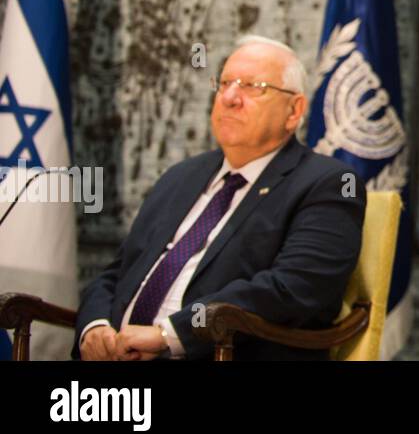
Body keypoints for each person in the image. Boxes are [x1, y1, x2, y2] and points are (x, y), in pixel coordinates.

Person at [75, 35, 365, 360]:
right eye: (225, 83)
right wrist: (95, 327)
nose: (229, 97)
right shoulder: (181, 176)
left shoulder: (328, 184)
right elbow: (118, 271)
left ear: (294, 110)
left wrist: (168, 335)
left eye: (252, 86)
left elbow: (294, 288)